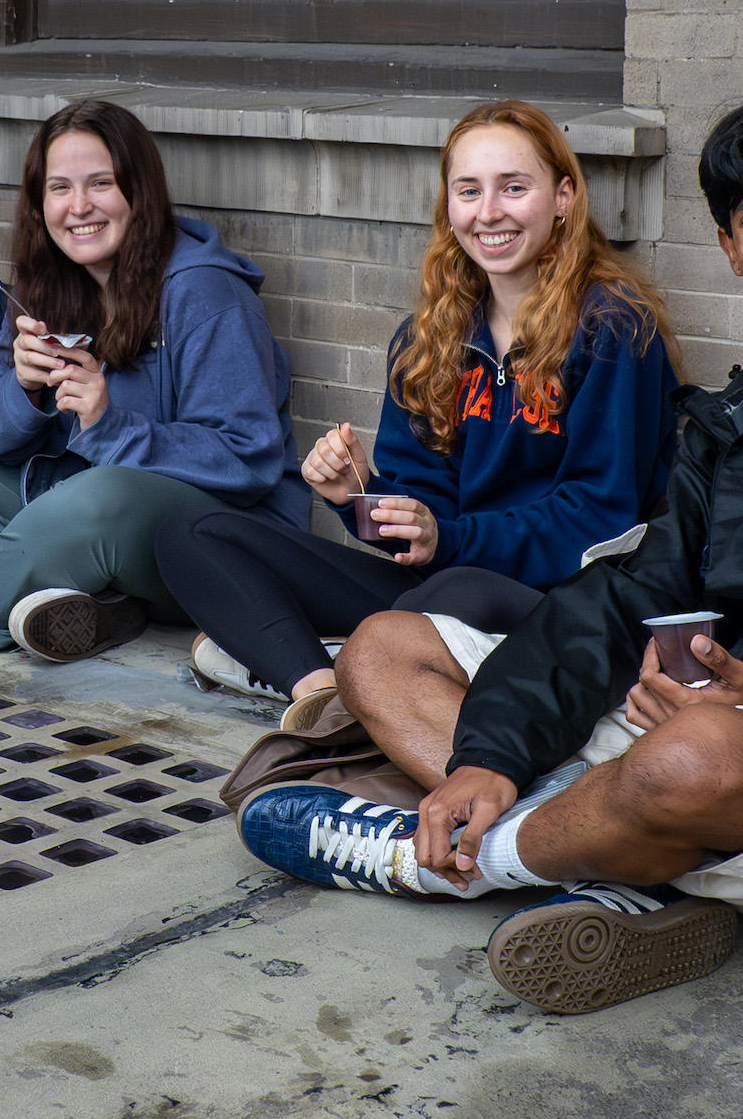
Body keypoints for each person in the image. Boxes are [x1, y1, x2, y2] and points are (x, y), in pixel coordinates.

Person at [236, 86, 743, 1015]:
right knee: (386, 647)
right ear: (730, 248)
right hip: (694, 722)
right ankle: (614, 857)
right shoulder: (737, 411)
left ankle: (455, 864)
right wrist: (489, 754)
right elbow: (630, 592)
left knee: (697, 757)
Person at [156, 99, 679, 712]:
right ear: (448, 206)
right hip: (435, 588)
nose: (489, 213)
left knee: (453, 590)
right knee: (189, 531)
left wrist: (448, 540)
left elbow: (598, 517)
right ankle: (319, 693)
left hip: (558, 599)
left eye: (514, 188)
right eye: (468, 191)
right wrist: (360, 495)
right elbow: (425, 519)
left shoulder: (612, 328)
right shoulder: (429, 338)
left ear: (564, 197)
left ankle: (294, 656)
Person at [0, 97, 310, 661]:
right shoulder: (42, 288)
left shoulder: (205, 291)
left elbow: (249, 460)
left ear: (138, 192)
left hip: (202, 545)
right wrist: (21, 389)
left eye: (100, 184)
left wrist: (109, 425)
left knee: (101, 491)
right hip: (71, 512)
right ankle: (74, 605)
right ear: (38, 202)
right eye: (59, 188)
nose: (78, 207)